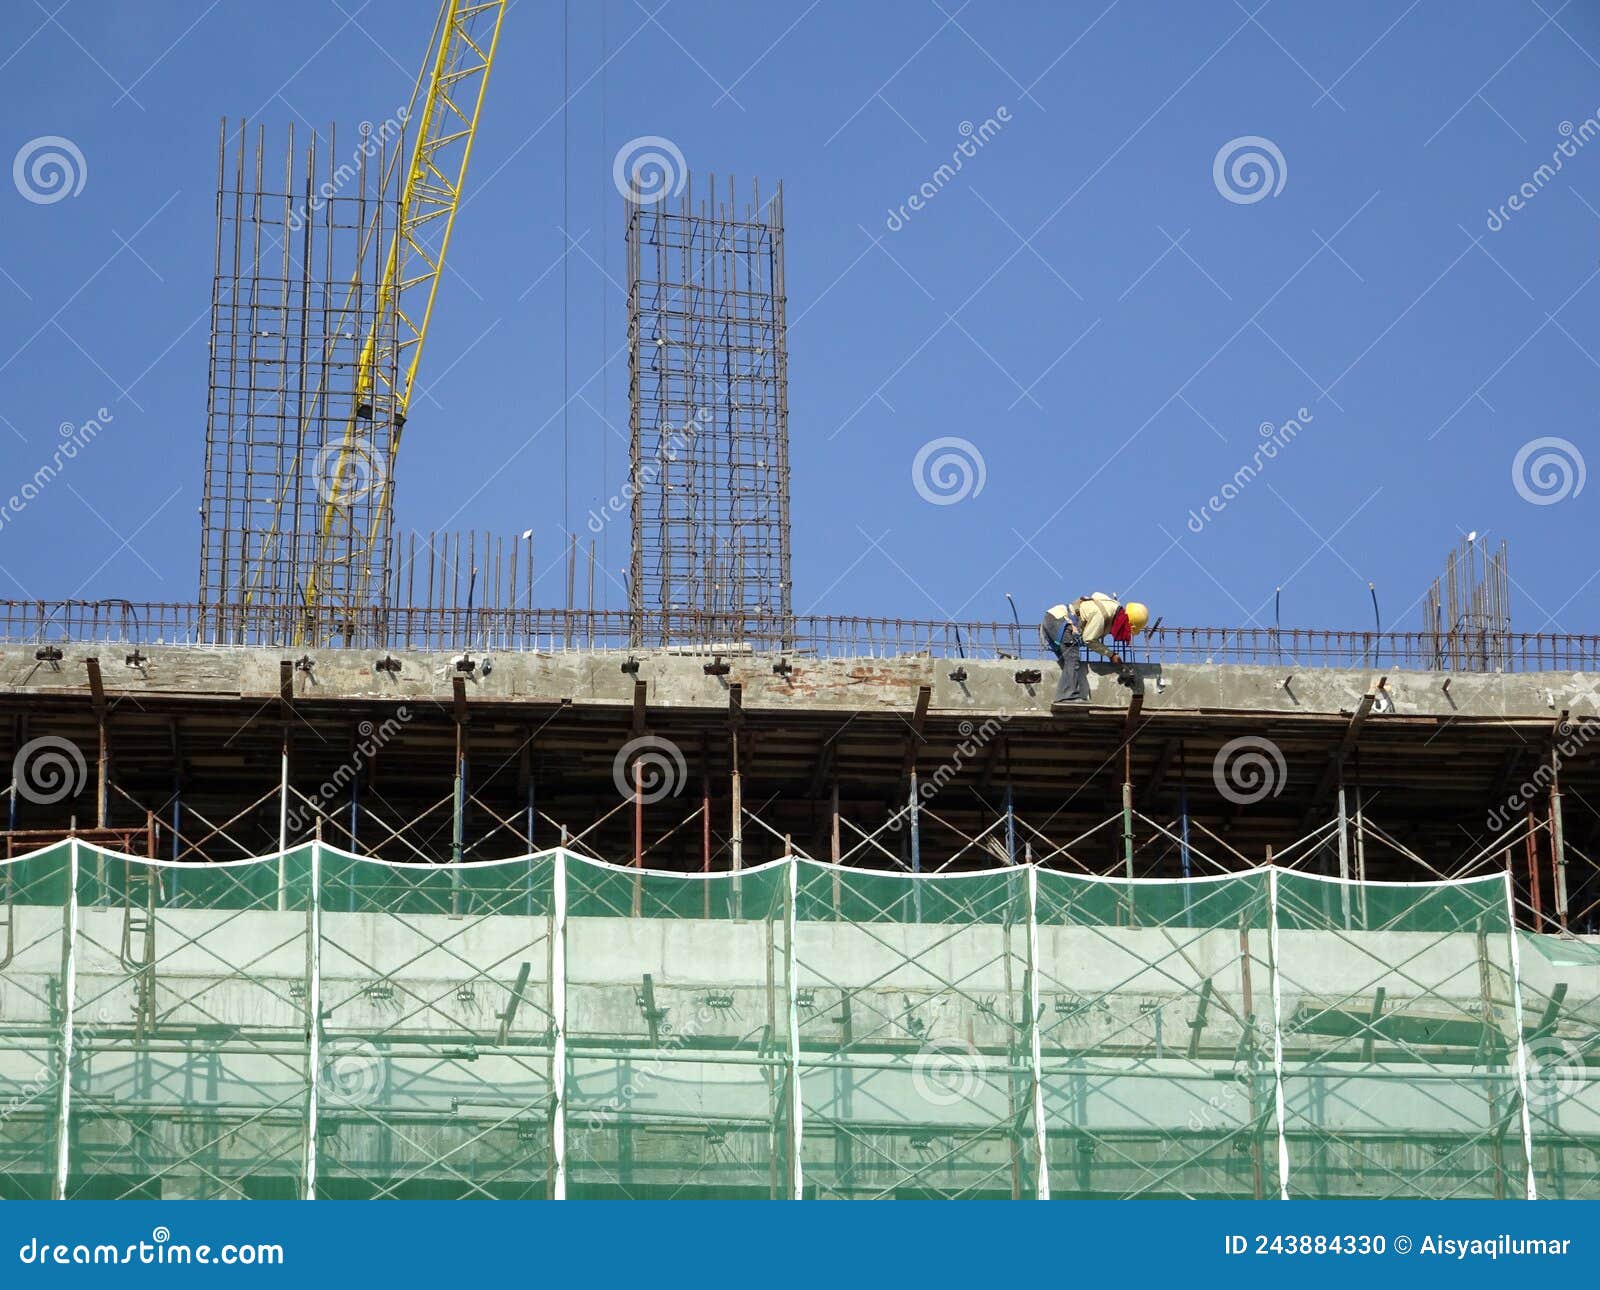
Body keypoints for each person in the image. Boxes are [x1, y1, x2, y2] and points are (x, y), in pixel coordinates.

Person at [1041, 594, 1149, 705]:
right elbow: (1088, 639)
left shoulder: (1113, 605)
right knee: (1072, 658)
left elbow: (1096, 594)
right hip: (1060, 621)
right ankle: (1068, 697)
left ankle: (1062, 696)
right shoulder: (1102, 616)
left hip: (1054, 617)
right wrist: (1110, 654)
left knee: (1068, 663)